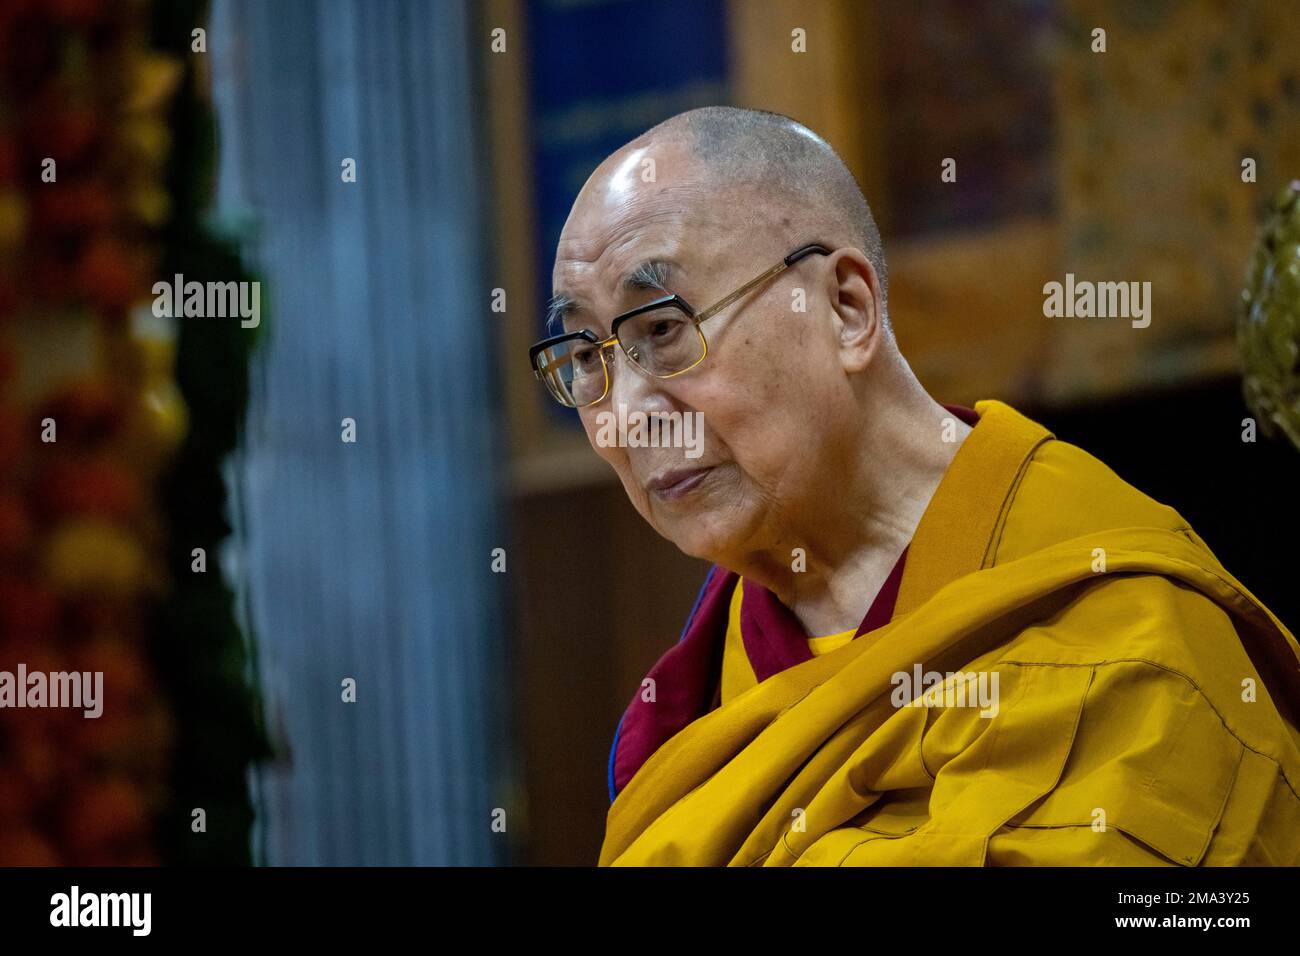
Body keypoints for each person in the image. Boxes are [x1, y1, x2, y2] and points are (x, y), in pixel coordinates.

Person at [527, 106, 1300, 866]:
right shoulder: (690, 707)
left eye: (661, 329)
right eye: (586, 361)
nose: (624, 421)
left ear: (846, 307)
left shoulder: (1124, 632)